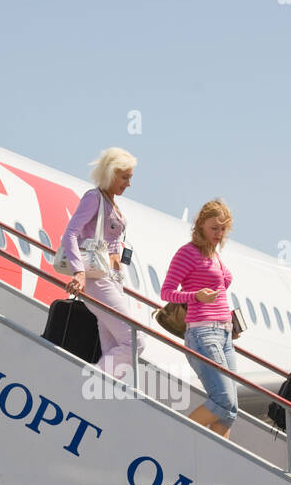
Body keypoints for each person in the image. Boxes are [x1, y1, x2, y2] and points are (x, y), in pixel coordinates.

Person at [60, 148, 144, 382]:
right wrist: (79, 272)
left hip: (114, 280)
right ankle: (88, 384)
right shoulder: (93, 198)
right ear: (110, 173)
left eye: (130, 177)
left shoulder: (112, 203)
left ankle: (101, 396)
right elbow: (70, 235)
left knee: (113, 347)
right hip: (97, 279)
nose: (128, 184)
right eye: (124, 177)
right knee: (135, 341)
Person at [160, 200, 237, 438]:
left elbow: (220, 292)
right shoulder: (188, 253)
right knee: (224, 400)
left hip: (224, 334)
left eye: (223, 229)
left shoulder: (215, 255)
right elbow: (167, 291)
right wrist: (196, 296)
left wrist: (231, 324)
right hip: (203, 332)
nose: (219, 234)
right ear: (201, 224)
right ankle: (176, 440)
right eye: (214, 228)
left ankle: (215, 460)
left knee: (231, 409)